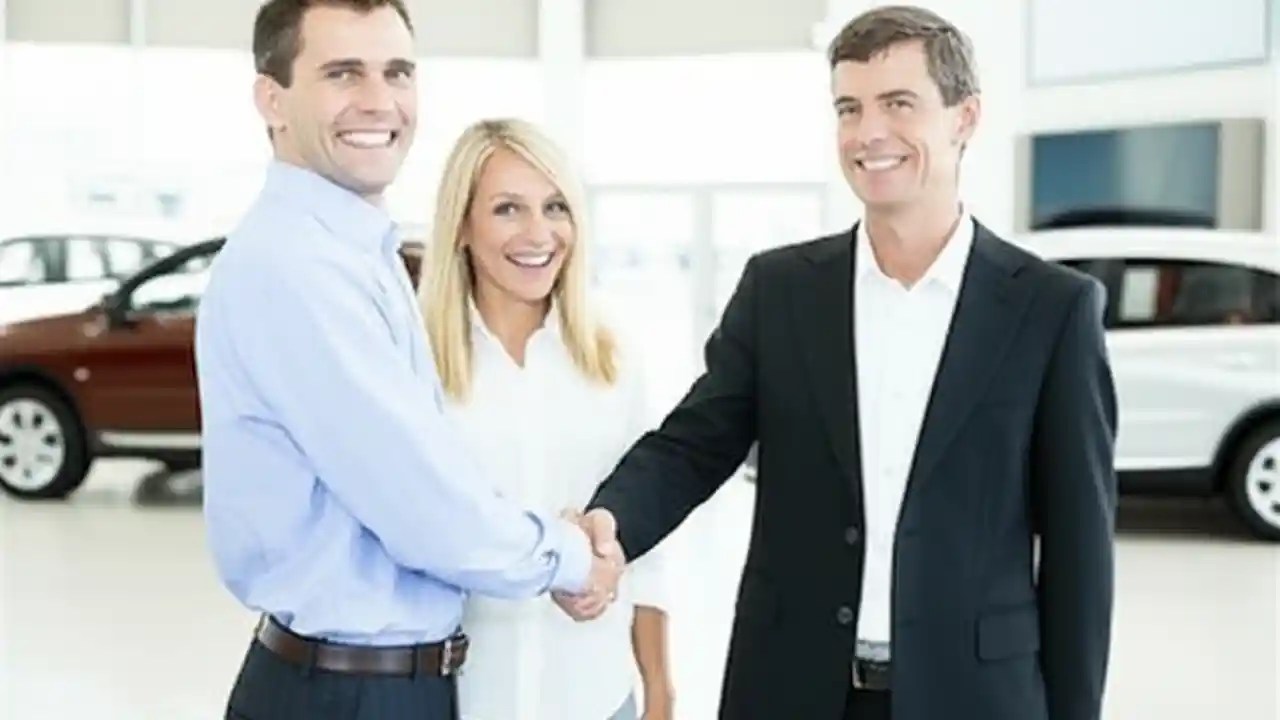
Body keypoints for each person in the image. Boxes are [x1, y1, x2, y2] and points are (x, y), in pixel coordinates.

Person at [567, 5, 1119, 720]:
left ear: (965, 118)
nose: (868, 134)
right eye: (849, 108)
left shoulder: (1053, 310)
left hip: (977, 699)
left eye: (899, 104)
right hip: (792, 688)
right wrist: (612, 522)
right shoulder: (781, 291)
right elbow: (693, 445)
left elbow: (1079, 555)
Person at [194, 2, 620, 719]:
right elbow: (423, 509)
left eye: (397, 72)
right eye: (342, 73)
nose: (379, 101)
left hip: (381, 683)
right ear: (273, 100)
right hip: (346, 691)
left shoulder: (358, 252)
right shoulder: (297, 268)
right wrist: (573, 558)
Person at [419, 118, 676, 720]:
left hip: (596, 696)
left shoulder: (613, 354)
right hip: (463, 699)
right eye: (508, 209)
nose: (539, 233)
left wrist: (660, 692)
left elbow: (649, 542)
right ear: (461, 225)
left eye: (555, 206)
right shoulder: (415, 362)